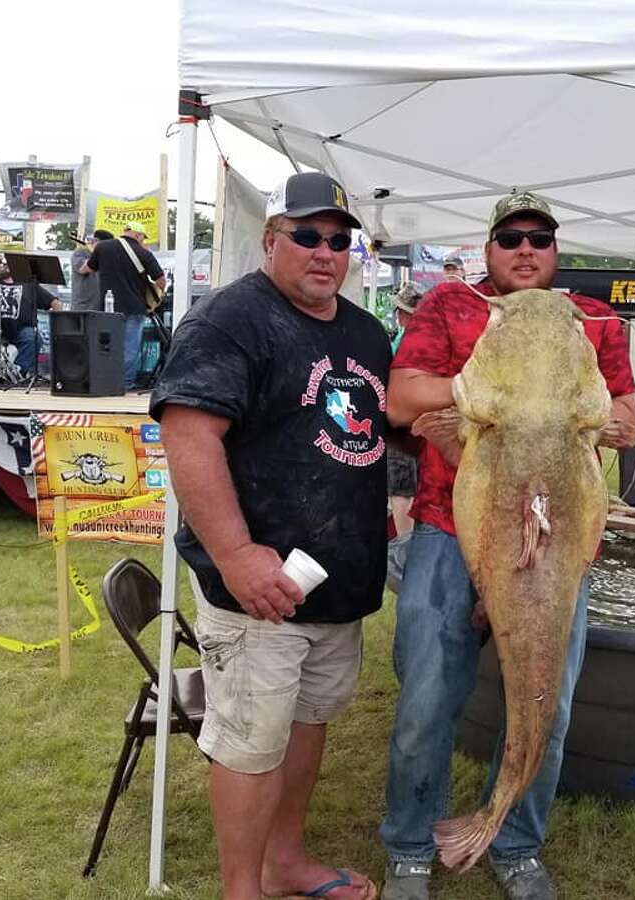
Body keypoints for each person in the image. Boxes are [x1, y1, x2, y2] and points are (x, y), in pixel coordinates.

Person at [380, 191, 635, 900]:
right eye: (511, 237)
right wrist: (483, 396)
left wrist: (614, 423)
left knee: (547, 700)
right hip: (447, 526)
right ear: (488, 248)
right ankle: (410, 846)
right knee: (427, 696)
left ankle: (515, 842)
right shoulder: (448, 306)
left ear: (556, 249)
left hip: (558, 538)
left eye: (540, 238)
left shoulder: (594, 318)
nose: (526, 249)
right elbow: (402, 399)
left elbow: (625, 411)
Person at [150, 171, 387, 900]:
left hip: (334, 585)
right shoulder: (230, 321)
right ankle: (242, 891)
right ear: (270, 239)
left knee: (307, 725)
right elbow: (189, 436)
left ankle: (285, 862)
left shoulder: (365, 331)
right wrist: (236, 555)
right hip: (257, 588)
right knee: (251, 743)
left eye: (339, 241)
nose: (324, 252)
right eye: (307, 235)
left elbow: (379, 431)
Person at [80, 220, 165, 390]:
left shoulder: (103, 248)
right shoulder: (144, 253)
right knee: (130, 346)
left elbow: (85, 269)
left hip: (108, 308)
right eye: (143, 238)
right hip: (135, 307)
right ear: (137, 235)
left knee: (107, 346)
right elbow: (161, 280)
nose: (143, 241)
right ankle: (125, 383)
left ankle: (105, 381)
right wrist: (156, 294)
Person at [0, 255, 61, 377]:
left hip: (20, 329)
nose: (3, 265)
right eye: (0, 263)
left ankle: (16, 372)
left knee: (33, 338)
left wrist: (58, 330)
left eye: (5, 263)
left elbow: (55, 303)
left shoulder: (28, 284)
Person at [387, 283, 424, 540]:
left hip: (402, 424)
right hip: (414, 425)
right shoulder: (423, 340)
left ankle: (403, 545)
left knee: (401, 488)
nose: (397, 315)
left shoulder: (409, 342)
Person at [70, 229, 112, 310]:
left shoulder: (107, 257)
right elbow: (83, 269)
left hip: (100, 306)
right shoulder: (80, 253)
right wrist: (95, 253)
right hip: (83, 306)